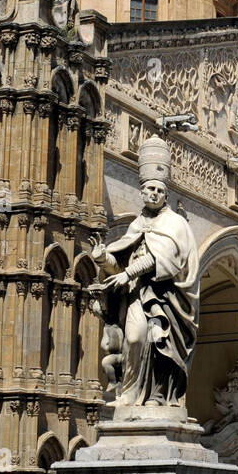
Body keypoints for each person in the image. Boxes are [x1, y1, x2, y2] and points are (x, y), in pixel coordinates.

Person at [90, 135, 199, 407]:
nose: (154, 194)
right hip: (138, 295)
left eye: (160, 191)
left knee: (158, 340)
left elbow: (163, 259)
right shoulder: (136, 225)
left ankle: (158, 396)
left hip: (166, 298)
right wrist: (104, 258)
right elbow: (121, 265)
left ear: (166, 195)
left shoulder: (175, 224)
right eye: (150, 188)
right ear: (141, 191)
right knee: (135, 338)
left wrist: (128, 273)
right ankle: (128, 394)